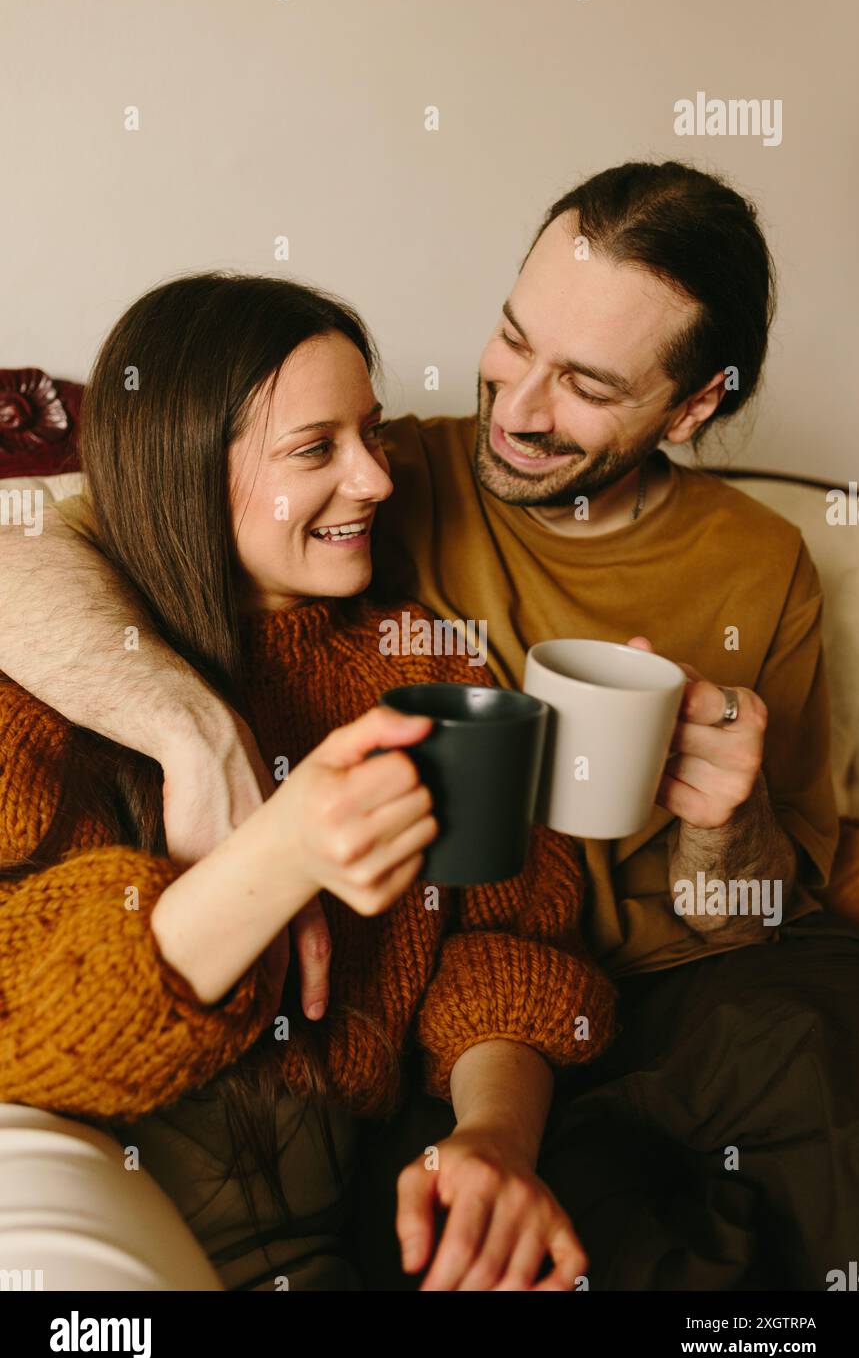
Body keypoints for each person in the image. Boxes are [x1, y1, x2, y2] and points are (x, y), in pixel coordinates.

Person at [2, 159, 859, 1288]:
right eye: (512, 340)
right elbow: (53, 544)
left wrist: (723, 820)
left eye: (587, 385)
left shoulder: (740, 569)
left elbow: (550, 931)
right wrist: (207, 752)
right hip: (248, 1131)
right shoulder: (389, 481)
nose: (513, 407)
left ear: (693, 403)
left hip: (618, 1006)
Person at [0, 273, 618, 1292]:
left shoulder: (428, 670)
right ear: (184, 471)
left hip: (329, 1218)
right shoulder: (52, 679)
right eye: (315, 448)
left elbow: (504, 945)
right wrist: (271, 859)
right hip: (85, 1201)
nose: (376, 478)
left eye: (369, 434)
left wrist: (493, 1141)